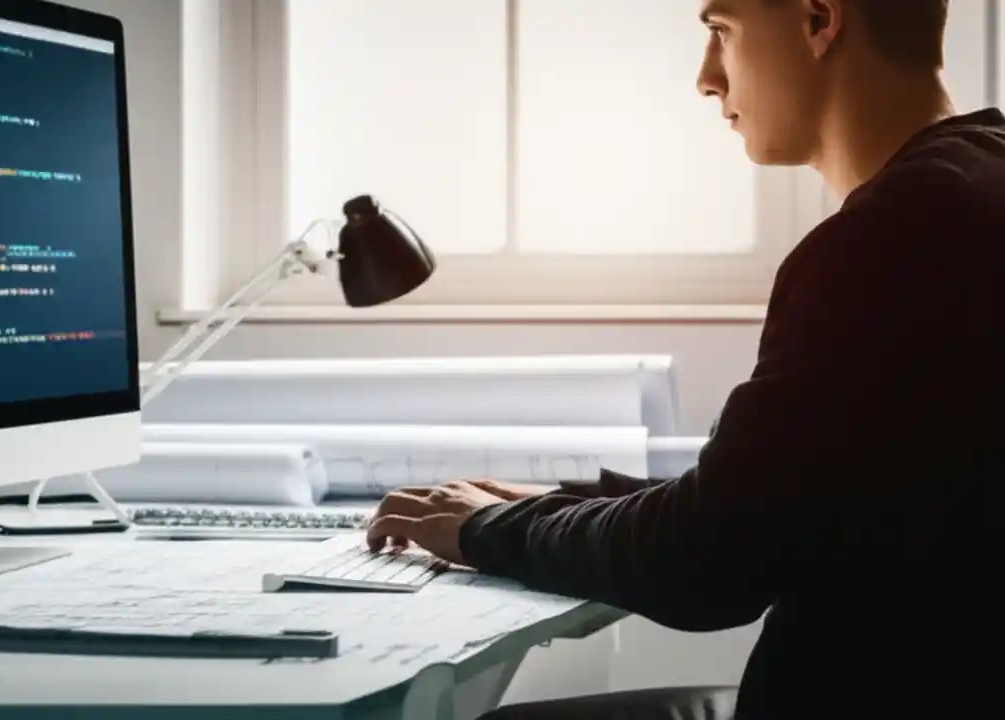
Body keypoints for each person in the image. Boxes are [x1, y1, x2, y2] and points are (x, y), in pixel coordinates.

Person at [365, 1, 1002, 718]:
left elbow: (705, 566)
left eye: (720, 31)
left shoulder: (889, 237)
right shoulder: (976, 185)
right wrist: (559, 506)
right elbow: (781, 499)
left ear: (821, 18)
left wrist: (487, 531)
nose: (707, 80)